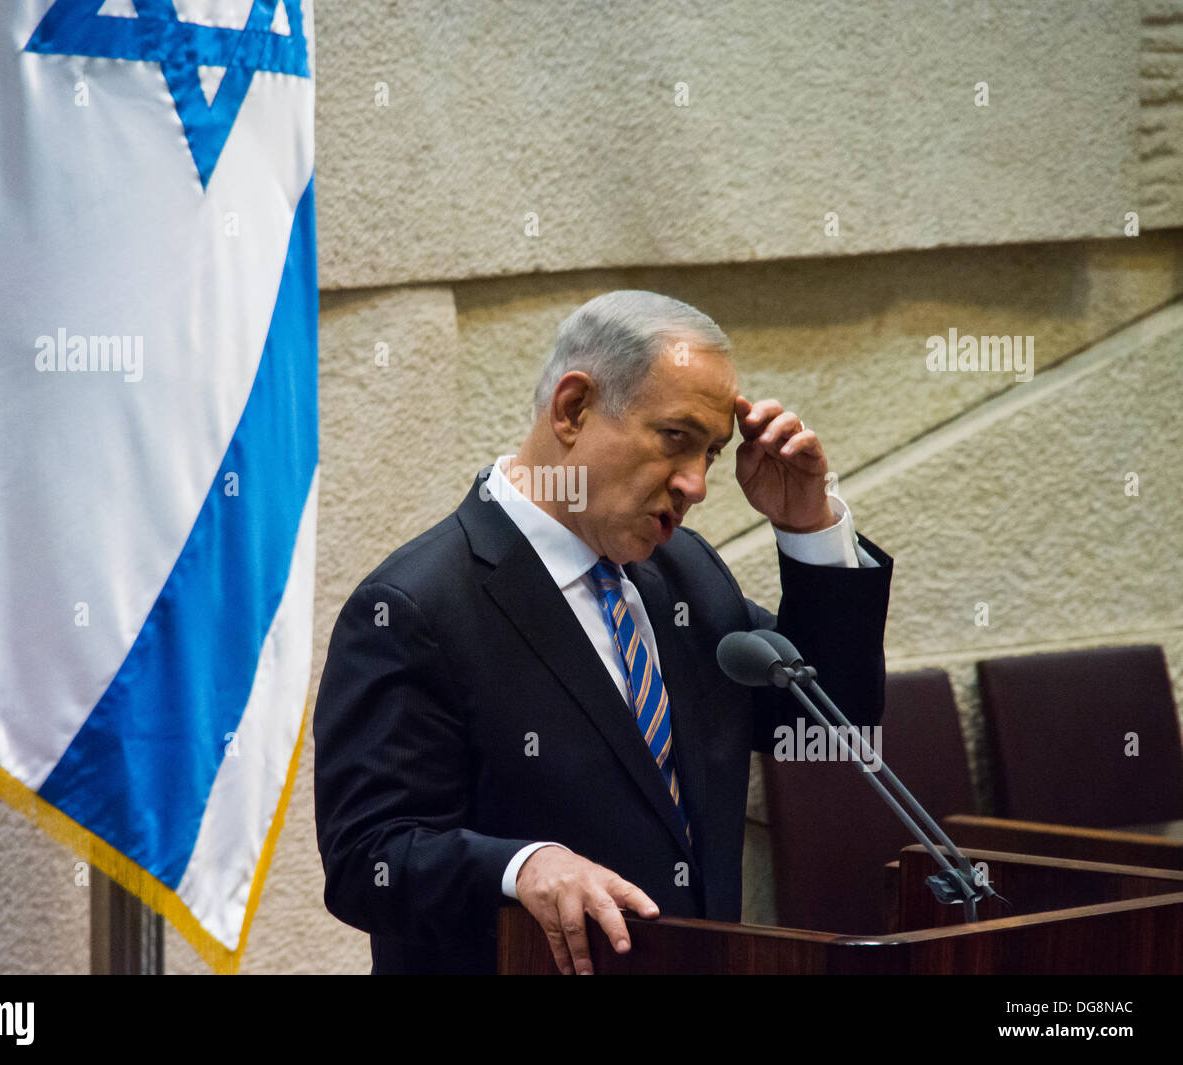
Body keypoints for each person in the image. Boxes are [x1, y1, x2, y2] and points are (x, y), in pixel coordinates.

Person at [312, 290, 892, 974]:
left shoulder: (687, 576)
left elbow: (832, 727)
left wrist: (809, 528)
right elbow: (368, 859)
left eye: (712, 452)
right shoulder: (416, 606)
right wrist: (522, 866)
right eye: (676, 438)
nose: (698, 484)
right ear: (573, 408)